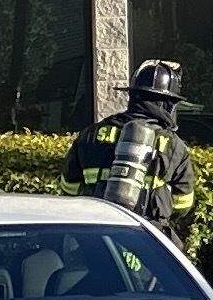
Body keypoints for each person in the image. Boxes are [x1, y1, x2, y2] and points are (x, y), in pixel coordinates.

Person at [67, 59, 200, 236]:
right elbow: (183, 203)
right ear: (168, 104)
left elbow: (69, 187)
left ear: (133, 96)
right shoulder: (174, 145)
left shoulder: (90, 135)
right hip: (146, 235)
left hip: (94, 232)